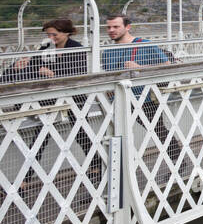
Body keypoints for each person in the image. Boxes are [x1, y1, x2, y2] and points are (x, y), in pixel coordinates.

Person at [3, 19, 99, 194]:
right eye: (48, 34)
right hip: (52, 100)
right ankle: (24, 180)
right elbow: (30, 68)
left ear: (66, 33)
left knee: (81, 134)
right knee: (41, 137)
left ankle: (96, 166)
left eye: (54, 34)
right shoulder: (46, 48)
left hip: (73, 98)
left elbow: (78, 75)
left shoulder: (76, 48)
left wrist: (53, 73)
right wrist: (16, 68)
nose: (50, 37)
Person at [101, 14, 181, 169]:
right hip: (117, 100)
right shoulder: (107, 51)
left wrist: (140, 68)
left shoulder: (145, 45)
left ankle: (177, 165)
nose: (111, 30)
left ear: (127, 27)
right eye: (109, 27)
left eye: (116, 27)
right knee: (116, 136)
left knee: (158, 132)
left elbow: (167, 66)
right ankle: (118, 172)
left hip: (144, 99)